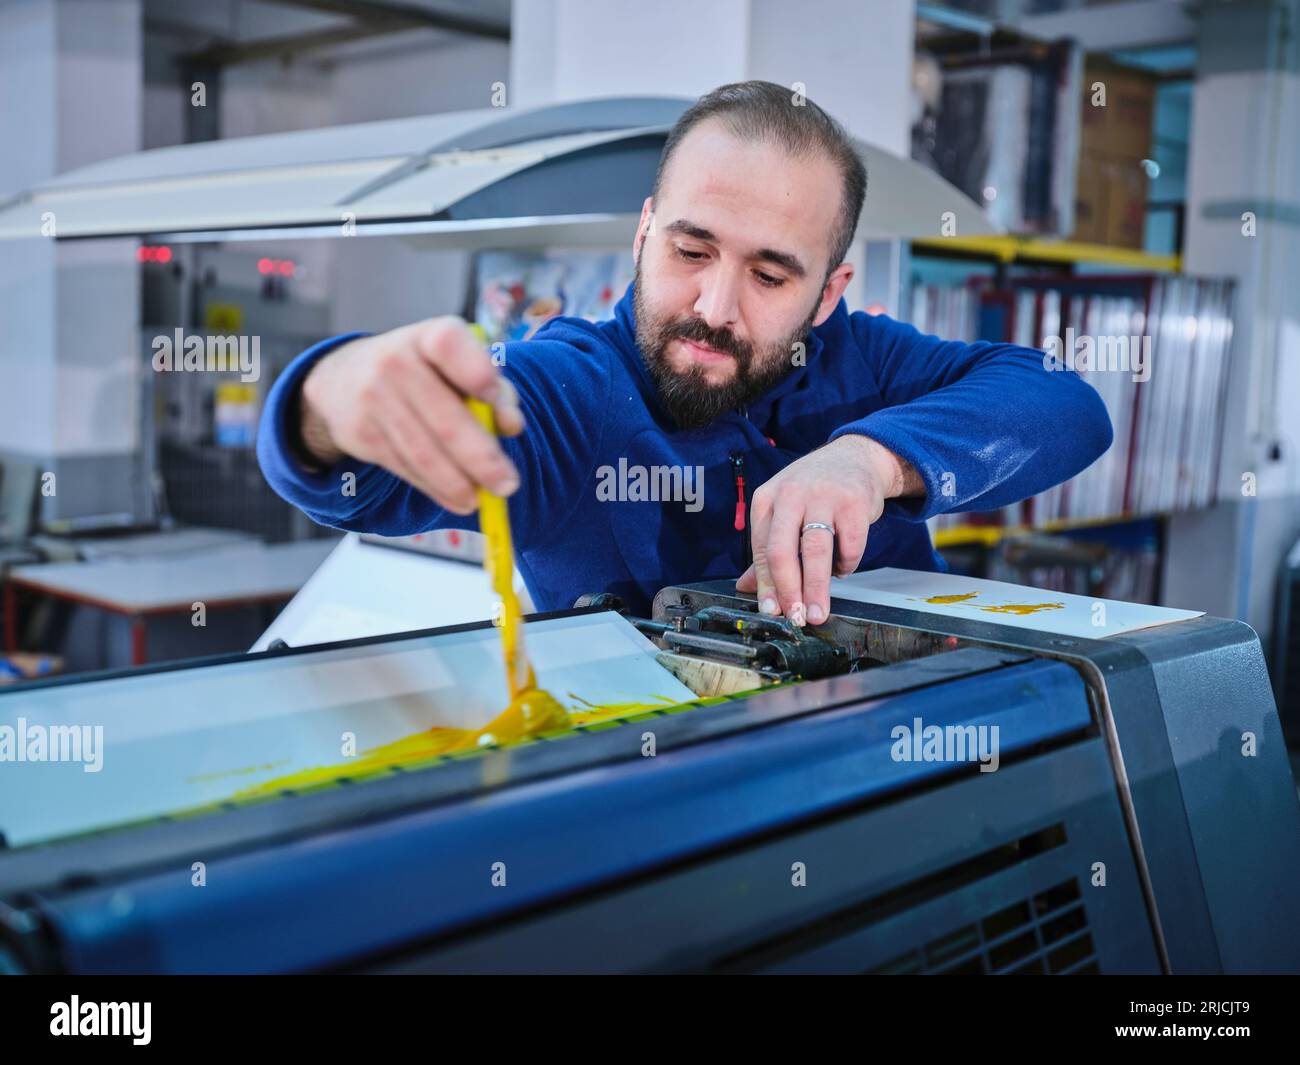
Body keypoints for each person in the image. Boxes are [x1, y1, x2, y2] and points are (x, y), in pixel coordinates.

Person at [257, 80, 1112, 626]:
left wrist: (868, 459)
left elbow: (1065, 402)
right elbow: (349, 480)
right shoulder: (573, 393)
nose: (713, 308)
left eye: (771, 275)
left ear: (829, 293)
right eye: (690, 251)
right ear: (643, 233)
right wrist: (328, 398)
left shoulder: (858, 362)